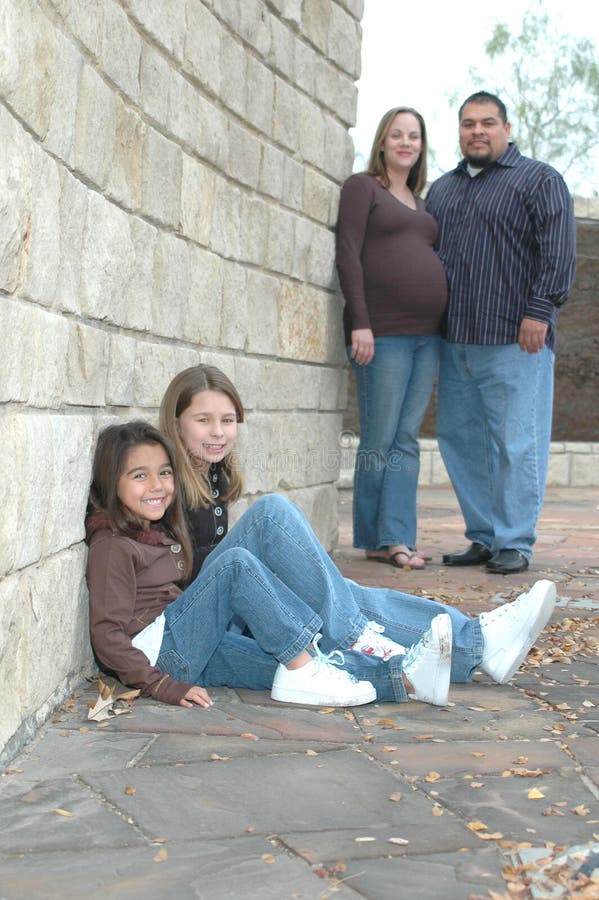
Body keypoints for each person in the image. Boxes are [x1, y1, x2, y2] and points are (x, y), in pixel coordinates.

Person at [117, 362, 558, 708]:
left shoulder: (210, 480)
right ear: (175, 424)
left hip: (225, 604)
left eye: (228, 420)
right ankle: (370, 635)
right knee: (272, 516)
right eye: (203, 420)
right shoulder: (164, 485)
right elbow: (176, 579)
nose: (218, 432)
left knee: (337, 590)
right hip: (197, 614)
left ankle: (477, 643)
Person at [426, 91, 576, 575]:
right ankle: (485, 535)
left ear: (506, 129)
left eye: (487, 122)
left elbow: (558, 253)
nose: (477, 131)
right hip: (455, 340)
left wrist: (540, 310)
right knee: (460, 441)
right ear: (460, 131)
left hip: (516, 339)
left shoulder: (539, 180)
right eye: (468, 123)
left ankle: (515, 540)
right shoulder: (443, 189)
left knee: (516, 443)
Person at [335, 107, 447, 569]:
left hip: (427, 337)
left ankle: (397, 535)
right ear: (382, 141)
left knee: (405, 439)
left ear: (421, 146)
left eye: (414, 136)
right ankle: (377, 538)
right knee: (380, 439)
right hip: (382, 334)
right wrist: (361, 321)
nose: (406, 142)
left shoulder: (422, 204)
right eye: (397, 134)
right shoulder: (364, 188)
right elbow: (348, 253)